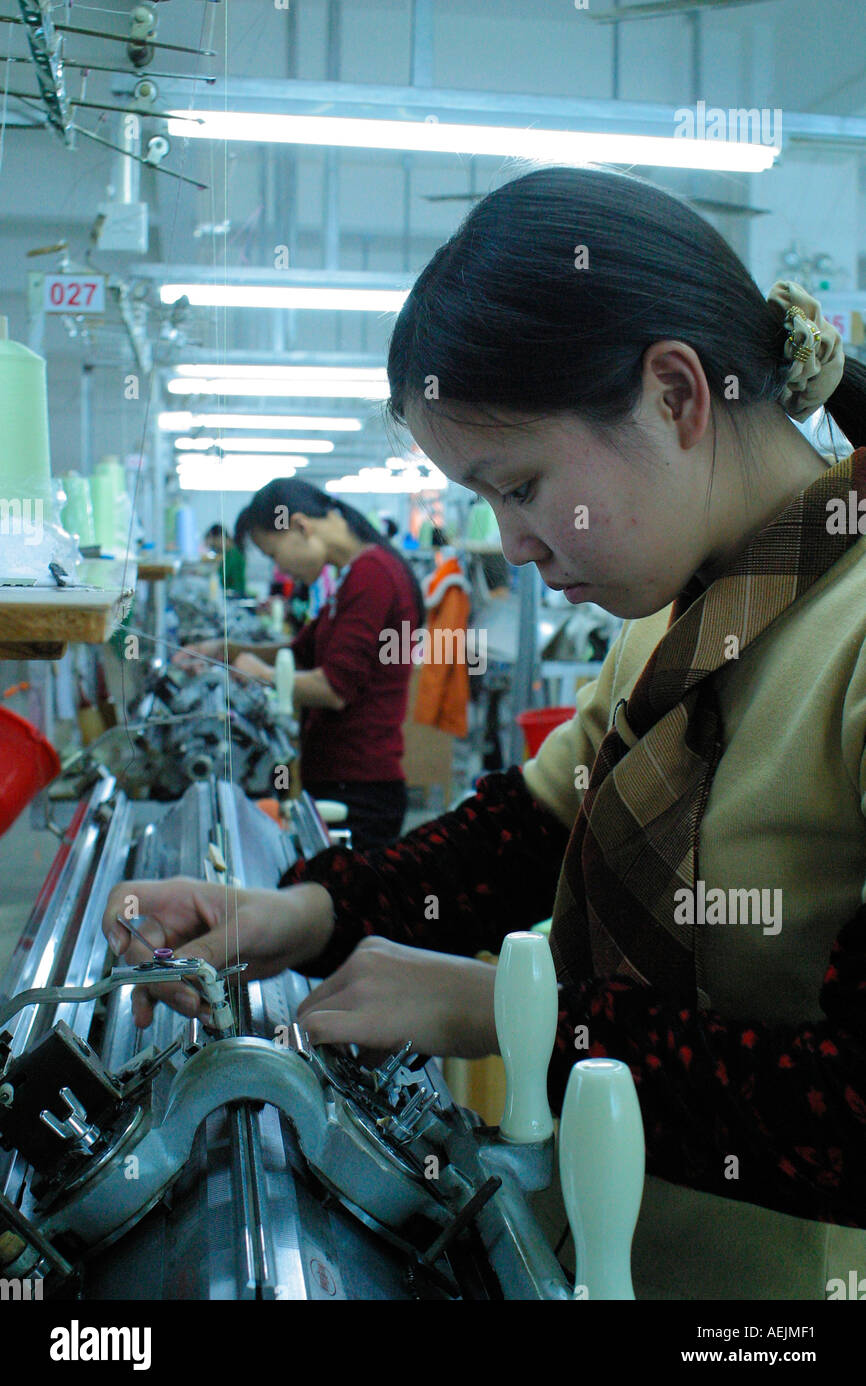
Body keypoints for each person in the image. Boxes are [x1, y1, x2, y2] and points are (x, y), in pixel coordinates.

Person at [105, 165, 866, 1300]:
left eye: (518, 486)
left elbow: (848, 1109)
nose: (510, 543)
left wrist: (509, 1019)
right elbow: (522, 833)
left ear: (674, 397)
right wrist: (296, 913)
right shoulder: (686, 615)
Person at [181, 479, 424, 851]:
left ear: (299, 526)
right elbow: (300, 652)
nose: (281, 570)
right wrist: (223, 650)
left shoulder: (372, 575)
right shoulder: (352, 576)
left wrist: (260, 675)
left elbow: (333, 689)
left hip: (358, 790)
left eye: (274, 554)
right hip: (341, 780)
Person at [204, 523, 246, 595]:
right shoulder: (228, 553)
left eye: (214, 542)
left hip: (235, 594)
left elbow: (221, 575)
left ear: (221, 537)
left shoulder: (233, 555)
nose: (214, 546)